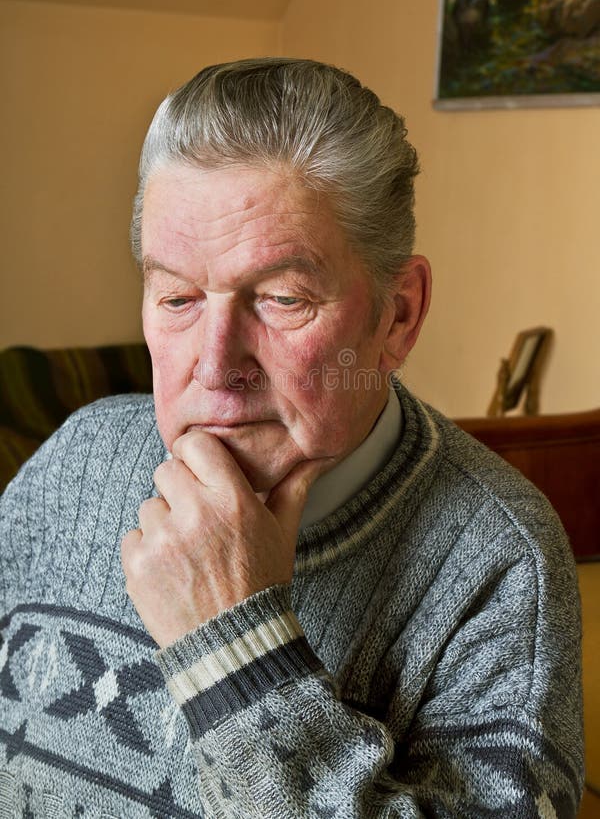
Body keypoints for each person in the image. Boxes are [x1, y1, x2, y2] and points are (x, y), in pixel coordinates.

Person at [0, 58, 583, 817]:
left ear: (398, 314)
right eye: (176, 296)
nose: (214, 366)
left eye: (280, 299)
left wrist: (235, 652)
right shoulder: (73, 460)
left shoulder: (502, 565)